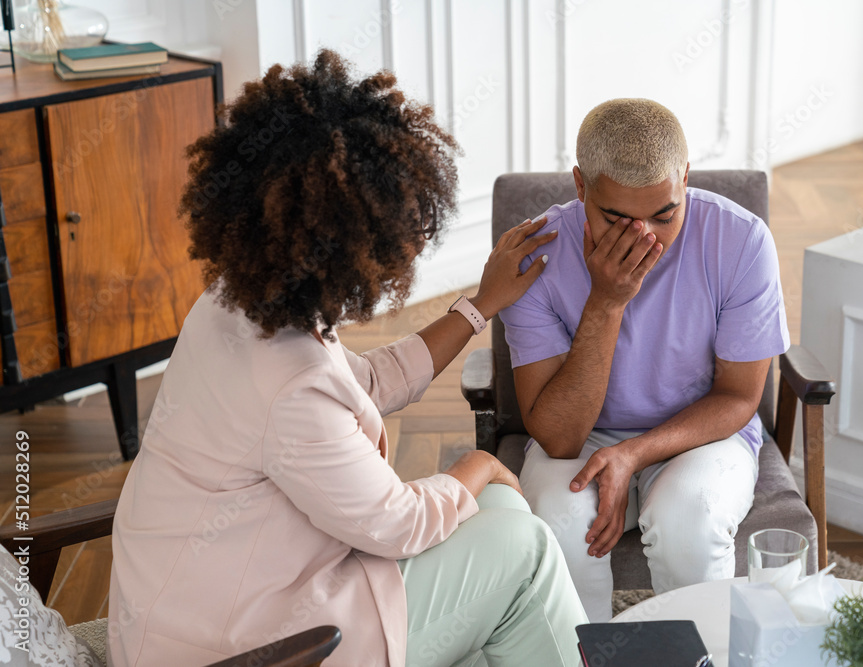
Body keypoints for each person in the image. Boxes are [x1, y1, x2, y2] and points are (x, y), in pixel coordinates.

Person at [106, 51, 588, 667]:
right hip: (248, 645)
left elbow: (360, 382)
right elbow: (399, 523)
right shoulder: (292, 383)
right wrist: (479, 463)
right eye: (397, 242)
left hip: (198, 599)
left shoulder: (234, 305)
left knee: (500, 514)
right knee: (524, 548)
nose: (404, 258)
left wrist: (479, 306)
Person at [499, 98, 790, 622]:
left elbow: (740, 396)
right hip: (579, 435)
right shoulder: (533, 254)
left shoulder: (742, 241)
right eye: (616, 218)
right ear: (580, 186)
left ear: (685, 177)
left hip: (700, 433)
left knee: (690, 522)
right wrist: (606, 302)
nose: (644, 238)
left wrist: (635, 453)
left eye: (665, 214)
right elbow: (559, 438)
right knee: (560, 524)